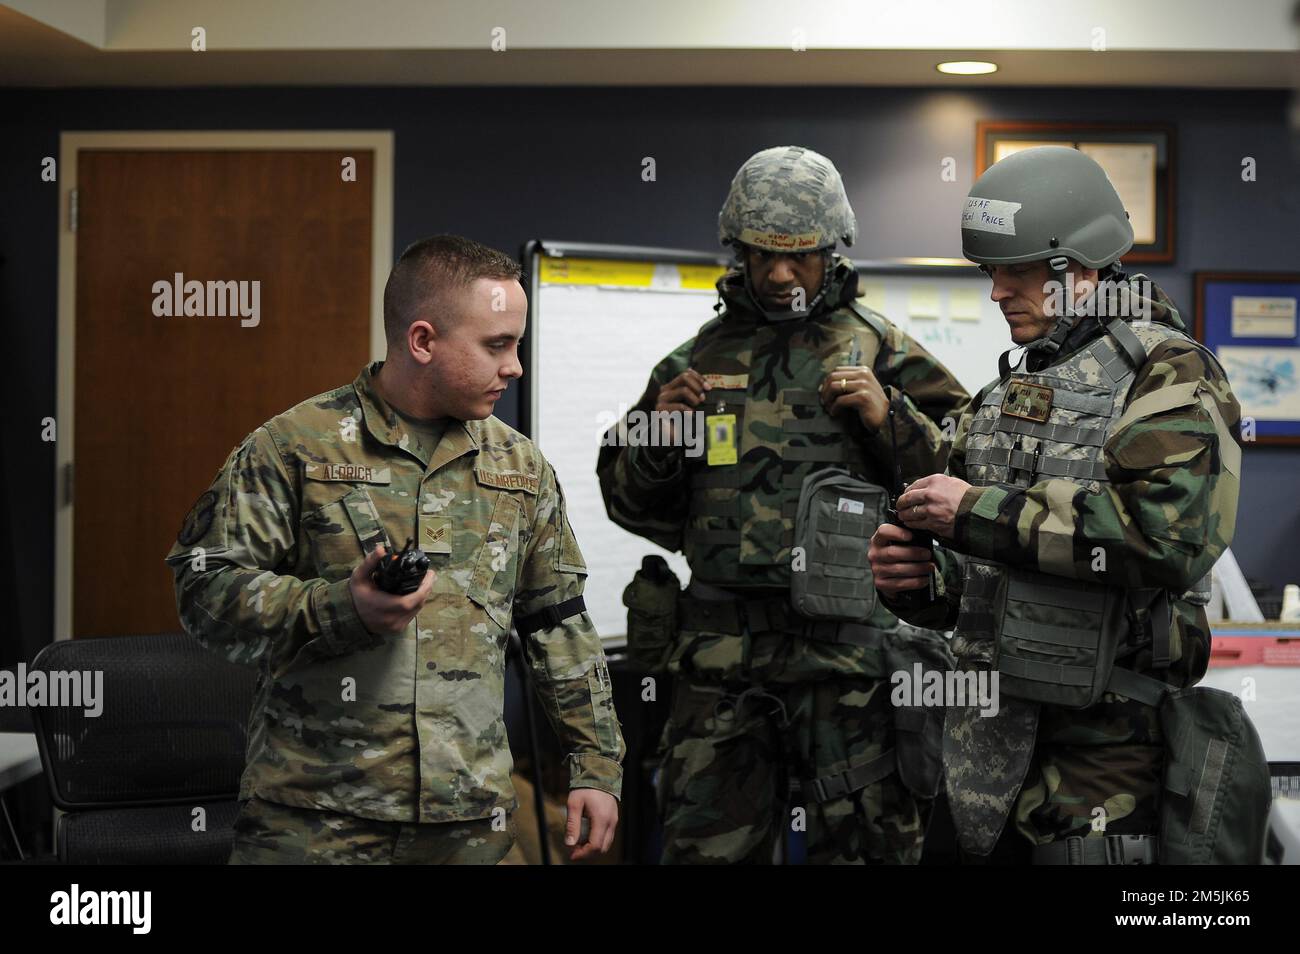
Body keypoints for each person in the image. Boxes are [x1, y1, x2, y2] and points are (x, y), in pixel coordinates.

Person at [167, 235, 625, 864]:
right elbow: (204, 591)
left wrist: (595, 765)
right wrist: (339, 609)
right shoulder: (296, 448)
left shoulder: (520, 469)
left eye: (515, 344)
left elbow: (558, 623)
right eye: (497, 345)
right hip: (315, 819)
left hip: (467, 821)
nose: (514, 365)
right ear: (422, 341)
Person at [869, 146, 1244, 864]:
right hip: (980, 760)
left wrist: (975, 512)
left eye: (1016, 271)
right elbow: (983, 579)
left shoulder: (1170, 376)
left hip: (1102, 771)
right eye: (991, 272)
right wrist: (924, 579)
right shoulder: (1007, 396)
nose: (997, 291)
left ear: (1078, 267)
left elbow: (1167, 537)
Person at [598, 145, 969, 864]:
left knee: (867, 851)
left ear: (831, 251)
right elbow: (630, 504)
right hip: (719, 662)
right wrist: (658, 440)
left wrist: (891, 418)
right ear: (737, 249)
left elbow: (966, 486)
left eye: (797, 256)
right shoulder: (693, 362)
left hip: (849, 661)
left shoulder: (883, 350)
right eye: (761, 254)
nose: (777, 273)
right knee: (704, 850)